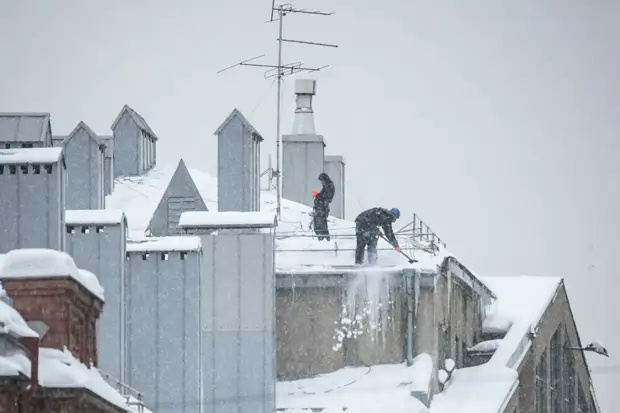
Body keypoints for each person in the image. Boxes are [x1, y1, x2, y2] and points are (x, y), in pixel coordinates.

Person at [312, 173, 335, 241]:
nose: (321, 182)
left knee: (320, 226)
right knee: (319, 225)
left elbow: (327, 198)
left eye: (322, 180)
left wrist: (319, 198)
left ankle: (324, 239)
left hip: (322, 209)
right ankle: (322, 239)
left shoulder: (329, 186)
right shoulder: (326, 186)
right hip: (320, 209)